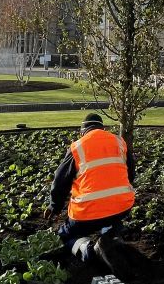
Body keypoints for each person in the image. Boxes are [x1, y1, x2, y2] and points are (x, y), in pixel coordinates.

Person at [46, 113, 135, 269]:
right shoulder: (119, 142)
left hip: (87, 214)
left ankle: (90, 250)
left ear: (82, 132)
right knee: (109, 219)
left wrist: (54, 207)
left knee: (64, 236)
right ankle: (111, 233)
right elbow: (131, 174)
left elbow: (60, 181)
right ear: (103, 129)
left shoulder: (77, 147)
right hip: (122, 208)